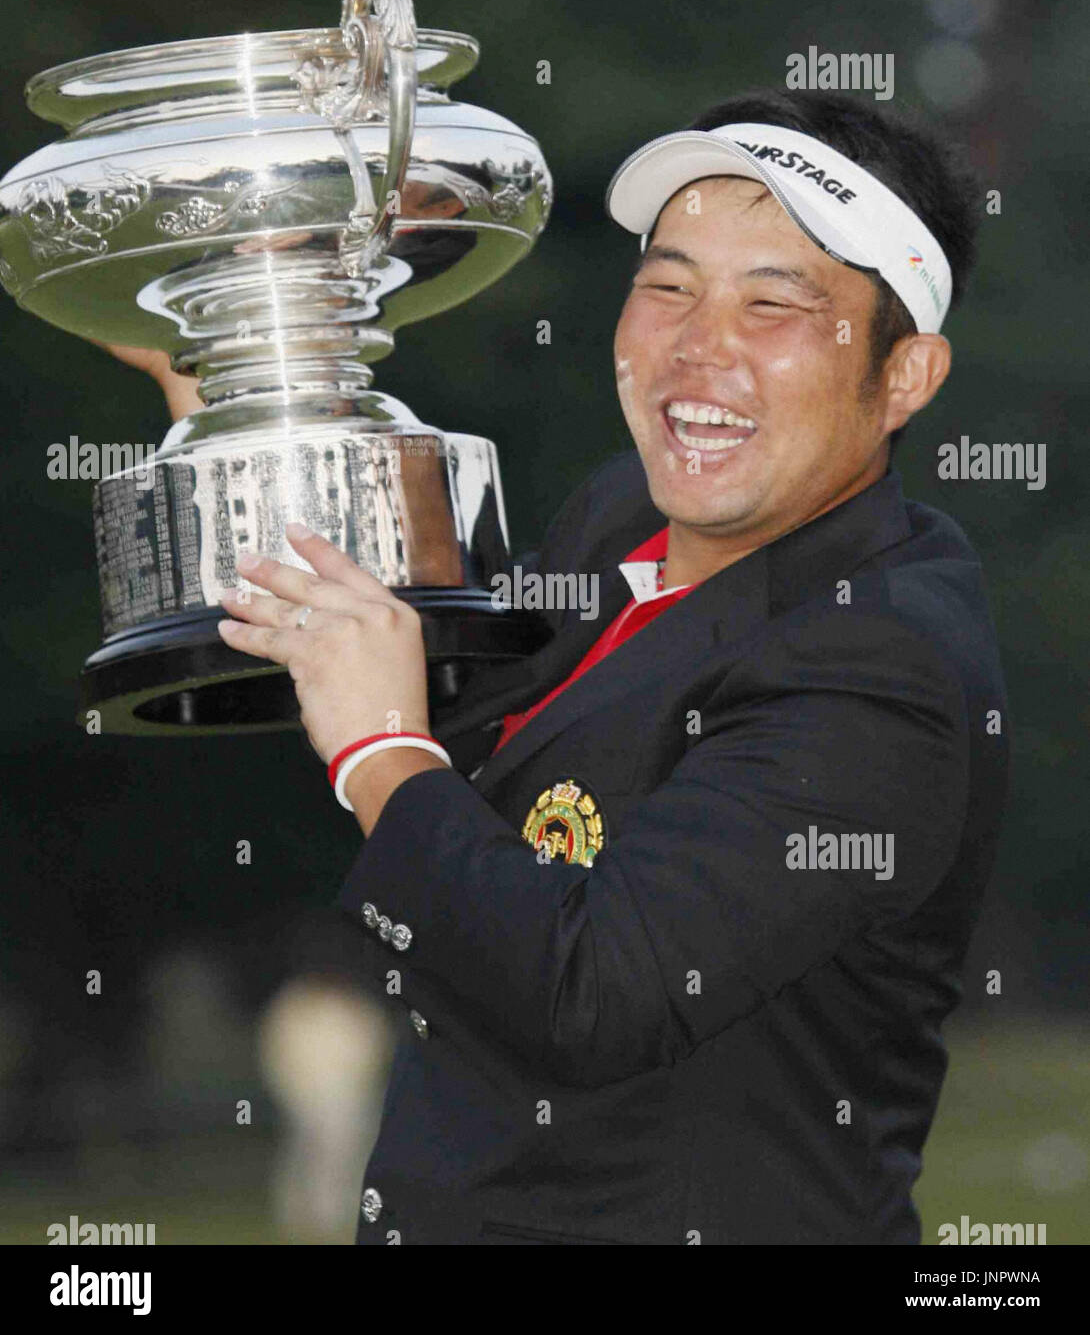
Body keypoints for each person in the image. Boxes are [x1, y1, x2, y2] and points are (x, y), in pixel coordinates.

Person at [108, 88, 1009, 1245]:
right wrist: (237, 391)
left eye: (774, 303)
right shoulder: (623, 514)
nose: (698, 344)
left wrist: (382, 755)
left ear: (903, 377)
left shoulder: (883, 664)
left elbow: (594, 996)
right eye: (668, 285)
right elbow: (423, 672)